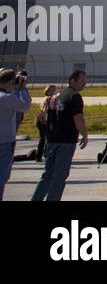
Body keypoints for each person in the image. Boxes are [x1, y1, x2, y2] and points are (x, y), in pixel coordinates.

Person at [33, 69, 88, 202]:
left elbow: (47, 116)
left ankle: (37, 198)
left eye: (85, 81)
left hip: (51, 138)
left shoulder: (56, 95)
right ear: (72, 80)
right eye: (81, 81)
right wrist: (84, 134)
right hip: (66, 140)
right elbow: (78, 118)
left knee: (48, 173)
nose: (84, 84)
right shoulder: (74, 96)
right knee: (60, 175)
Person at [0, 68, 32, 200]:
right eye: (13, 82)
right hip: (5, 141)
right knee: (3, 175)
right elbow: (25, 105)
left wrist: (17, 88)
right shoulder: (7, 98)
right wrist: (23, 89)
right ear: (8, 82)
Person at [34, 83, 57, 162]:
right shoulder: (48, 99)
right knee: (48, 138)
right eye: (53, 90)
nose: (54, 92)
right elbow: (45, 110)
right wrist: (44, 118)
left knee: (42, 139)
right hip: (43, 120)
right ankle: (47, 154)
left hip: (39, 120)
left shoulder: (44, 98)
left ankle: (38, 156)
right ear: (48, 91)